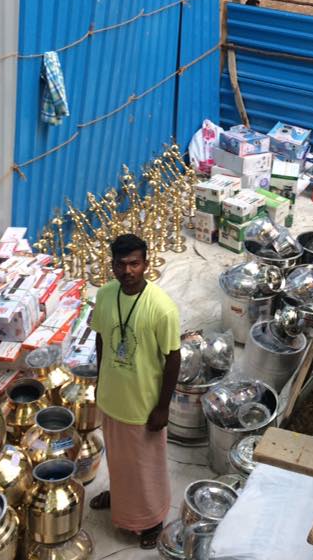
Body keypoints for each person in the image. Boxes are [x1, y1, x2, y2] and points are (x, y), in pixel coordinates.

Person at [88, 234, 181, 548]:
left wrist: (163, 407)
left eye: (134, 263)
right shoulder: (104, 295)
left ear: (146, 264)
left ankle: (152, 518)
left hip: (143, 405)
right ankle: (119, 496)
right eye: (120, 264)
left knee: (146, 468)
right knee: (118, 458)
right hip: (113, 399)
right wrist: (101, 379)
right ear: (112, 265)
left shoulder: (161, 308)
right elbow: (101, 337)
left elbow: (173, 357)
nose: (127, 271)